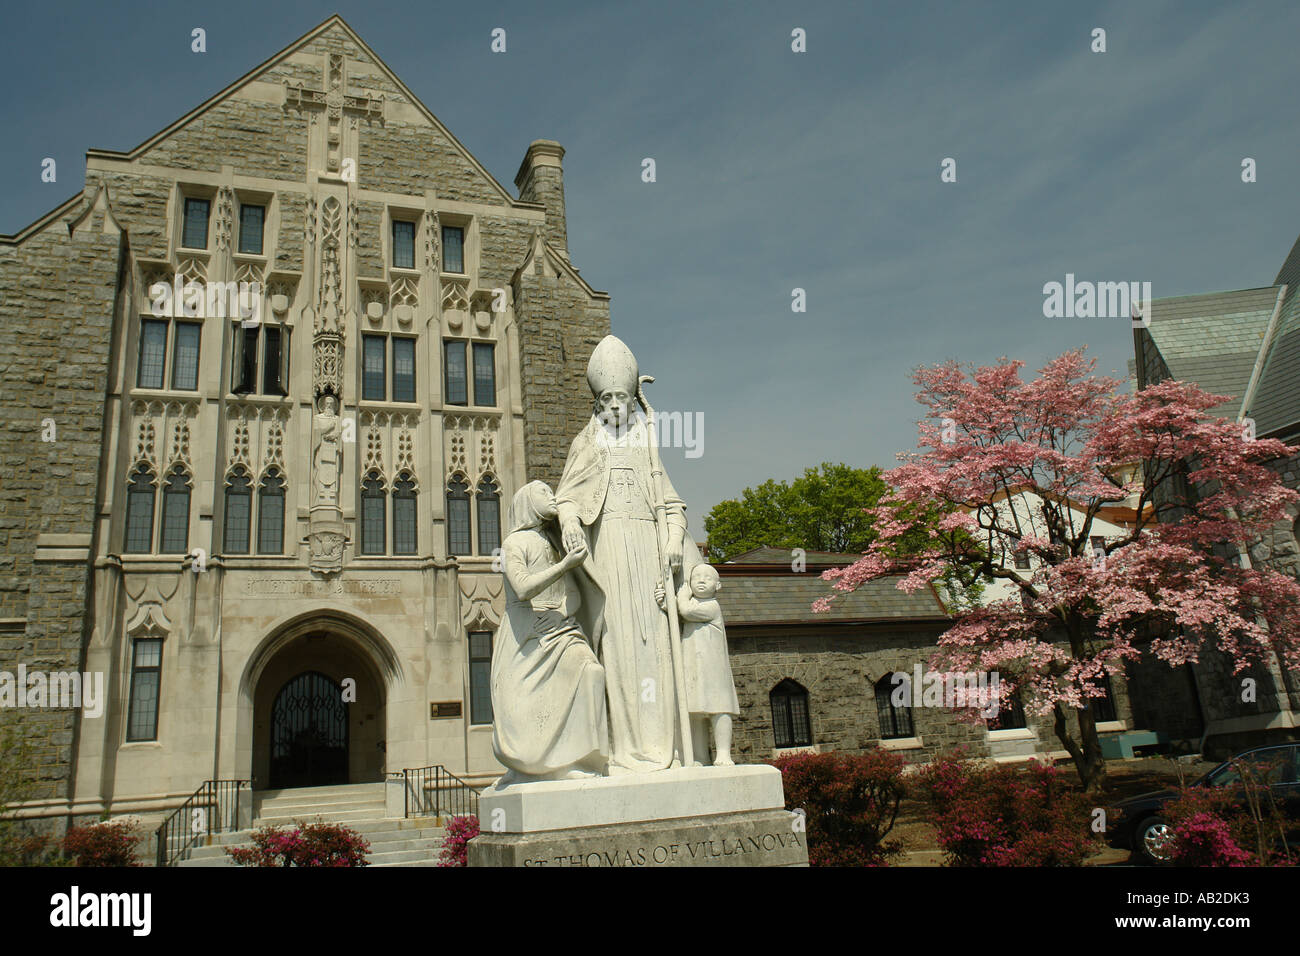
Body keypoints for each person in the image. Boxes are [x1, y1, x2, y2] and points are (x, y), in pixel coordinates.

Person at [556, 335, 698, 773]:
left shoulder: (647, 449)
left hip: (650, 553)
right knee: (616, 645)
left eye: (622, 397)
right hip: (610, 553)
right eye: (607, 398)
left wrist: (673, 540)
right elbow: (566, 499)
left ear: (632, 401)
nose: (616, 406)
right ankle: (624, 749)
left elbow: (674, 505)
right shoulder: (587, 445)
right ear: (597, 404)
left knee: (654, 642)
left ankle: (665, 748)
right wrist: (570, 523)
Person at [490, 481, 608, 784]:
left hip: (561, 629)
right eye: (543, 492)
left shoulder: (555, 542)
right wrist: (565, 564)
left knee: (592, 673)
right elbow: (523, 587)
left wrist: (563, 612)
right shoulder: (513, 544)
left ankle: (578, 758)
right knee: (523, 711)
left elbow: (573, 592)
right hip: (525, 637)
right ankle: (529, 767)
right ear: (528, 501)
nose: (552, 495)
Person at [657, 564, 739, 766]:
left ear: (718, 585)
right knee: (694, 711)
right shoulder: (693, 607)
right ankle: (699, 756)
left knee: (719, 708)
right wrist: (665, 600)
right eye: (696, 577)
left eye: (708, 578)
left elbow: (685, 610)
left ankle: (723, 754)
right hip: (694, 667)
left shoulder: (711, 606)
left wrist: (680, 595)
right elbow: (679, 613)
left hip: (713, 668)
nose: (701, 580)